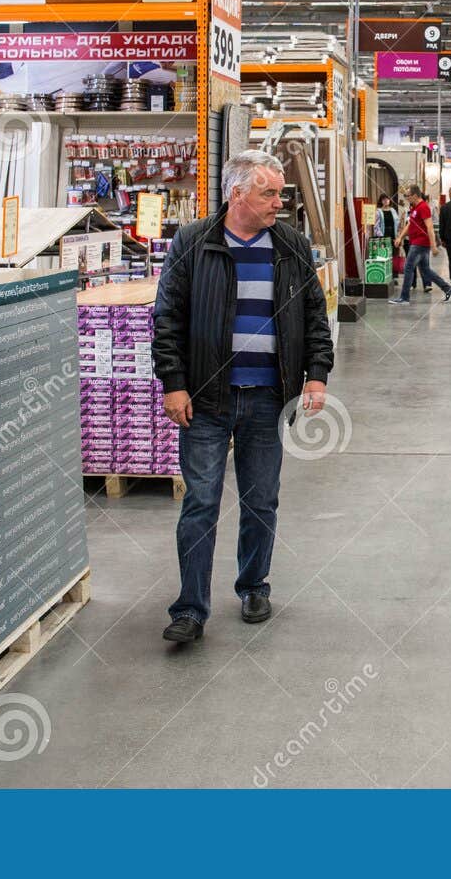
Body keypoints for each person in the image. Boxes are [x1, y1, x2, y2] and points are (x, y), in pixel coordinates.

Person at [154, 150, 335, 644]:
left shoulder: (291, 246)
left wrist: (316, 375)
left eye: (281, 193)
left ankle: (254, 585)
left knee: (261, 501)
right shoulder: (194, 242)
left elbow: (316, 318)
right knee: (201, 503)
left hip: (267, 397)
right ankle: (191, 608)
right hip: (207, 399)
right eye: (269, 193)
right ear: (237, 195)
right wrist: (173, 383)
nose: (279, 202)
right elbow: (167, 319)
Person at [390, 183, 451, 304]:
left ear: (415, 195)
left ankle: (404, 298)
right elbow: (410, 225)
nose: (407, 198)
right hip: (417, 242)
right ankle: (447, 288)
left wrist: (433, 246)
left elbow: (429, 227)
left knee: (408, 267)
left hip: (420, 243)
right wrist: (400, 237)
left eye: (408, 195)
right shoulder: (414, 208)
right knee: (425, 270)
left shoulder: (423, 207)